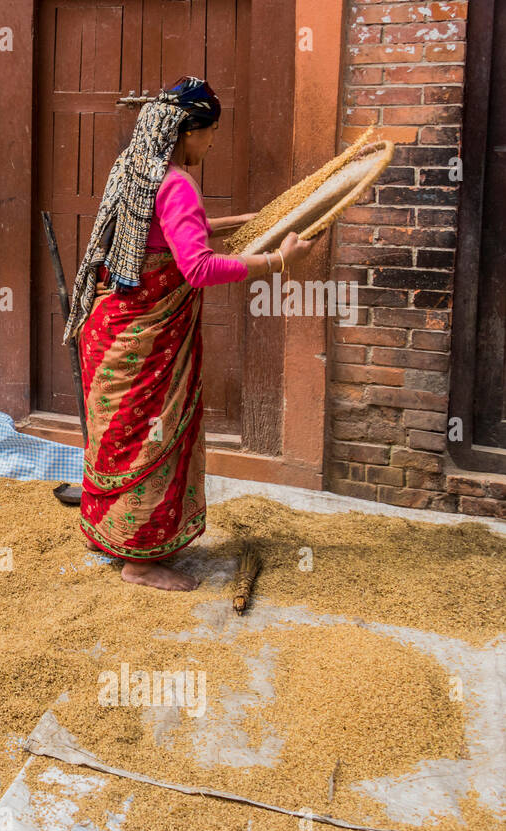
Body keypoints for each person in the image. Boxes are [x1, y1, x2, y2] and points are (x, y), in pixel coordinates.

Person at [65, 76, 317, 592]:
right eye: (209, 133)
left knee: (118, 436)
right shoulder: (177, 182)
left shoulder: (138, 165)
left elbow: (169, 231)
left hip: (111, 329)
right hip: (146, 339)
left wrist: (244, 220)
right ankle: (138, 561)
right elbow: (197, 267)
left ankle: (107, 532)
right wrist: (279, 260)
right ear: (187, 130)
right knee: (151, 437)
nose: (211, 143)